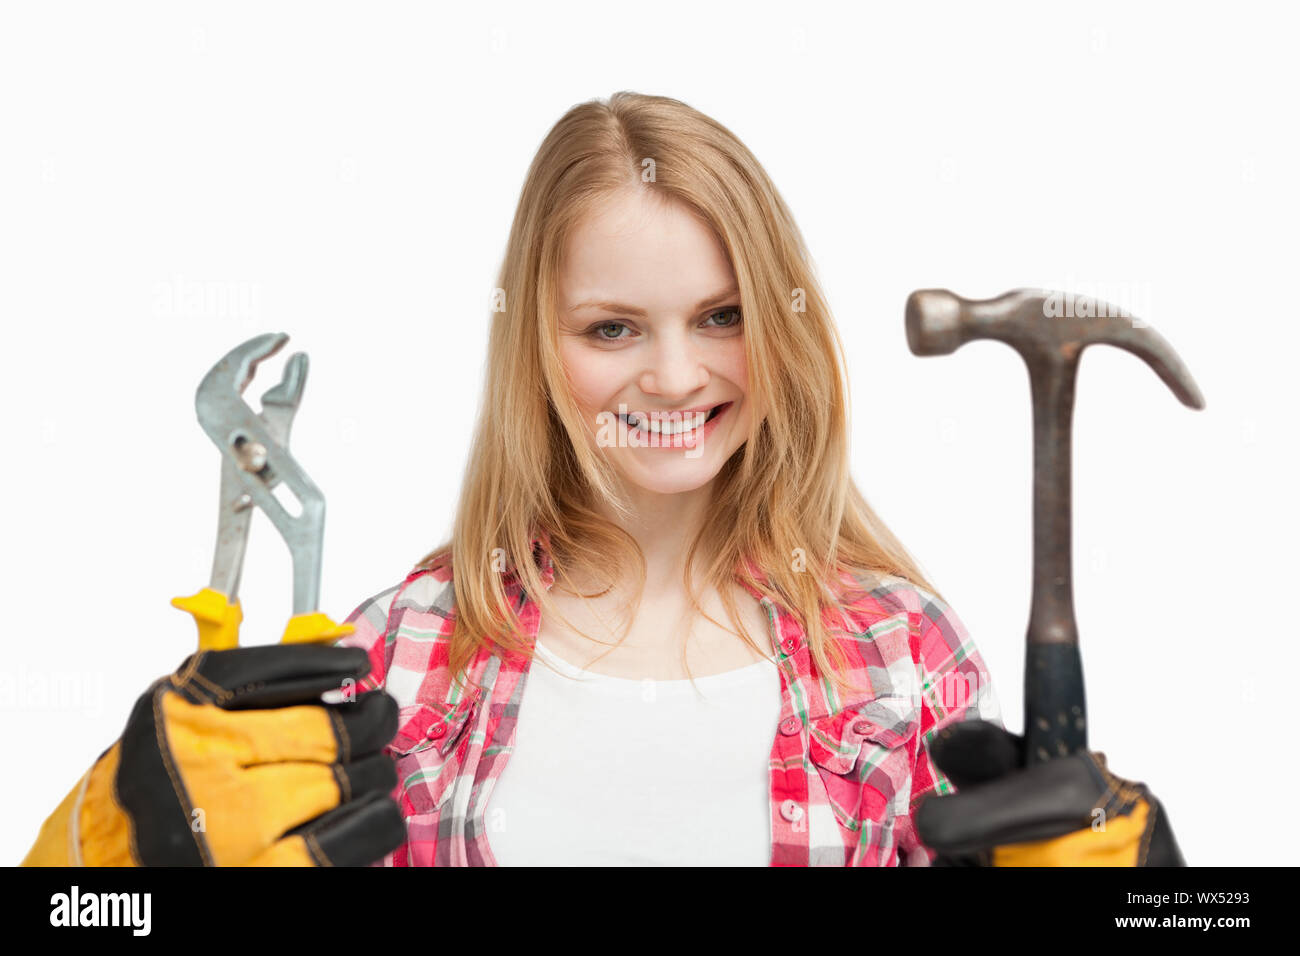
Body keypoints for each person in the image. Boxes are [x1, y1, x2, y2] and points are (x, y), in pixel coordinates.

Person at [22, 91, 1181, 868]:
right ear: (538, 341)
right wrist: (126, 841)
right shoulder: (400, 654)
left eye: (721, 315)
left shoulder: (902, 650)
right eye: (613, 327)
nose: (676, 374)